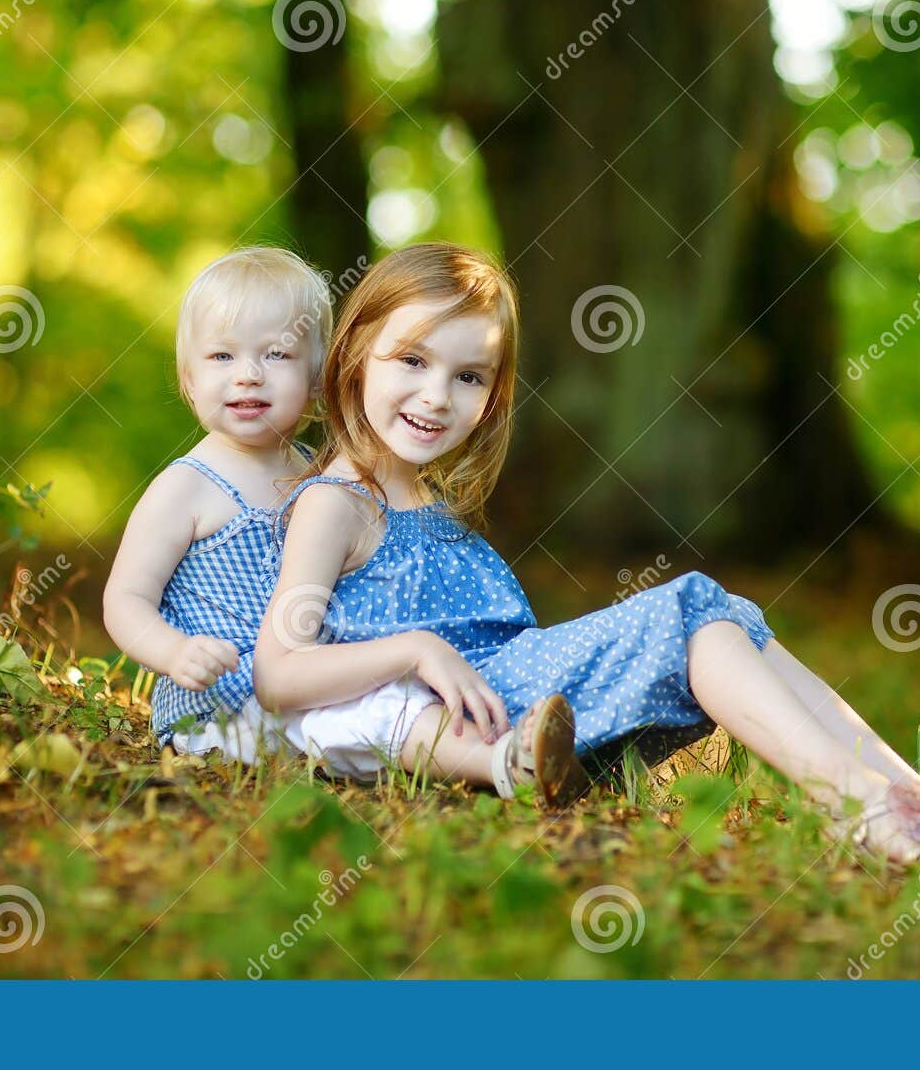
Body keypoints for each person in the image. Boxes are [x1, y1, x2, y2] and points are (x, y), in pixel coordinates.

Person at [253, 241, 920, 873]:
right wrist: (417, 648)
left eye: (468, 376)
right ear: (354, 351)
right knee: (693, 607)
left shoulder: (426, 501)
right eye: (412, 361)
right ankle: (867, 807)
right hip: (483, 713)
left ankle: (913, 796)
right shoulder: (337, 503)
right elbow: (278, 673)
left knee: (724, 614)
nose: (436, 396)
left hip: (520, 694)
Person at [102, 246, 583, 804]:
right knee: (383, 708)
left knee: (391, 699)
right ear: (187, 378)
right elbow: (125, 598)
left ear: (316, 379)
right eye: (221, 357)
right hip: (223, 709)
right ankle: (499, 765)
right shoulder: (188, 486)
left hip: (306, 692)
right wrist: (172, 652)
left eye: (277, 355)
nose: (249, 376)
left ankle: (502, 751)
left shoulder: (320, 472)